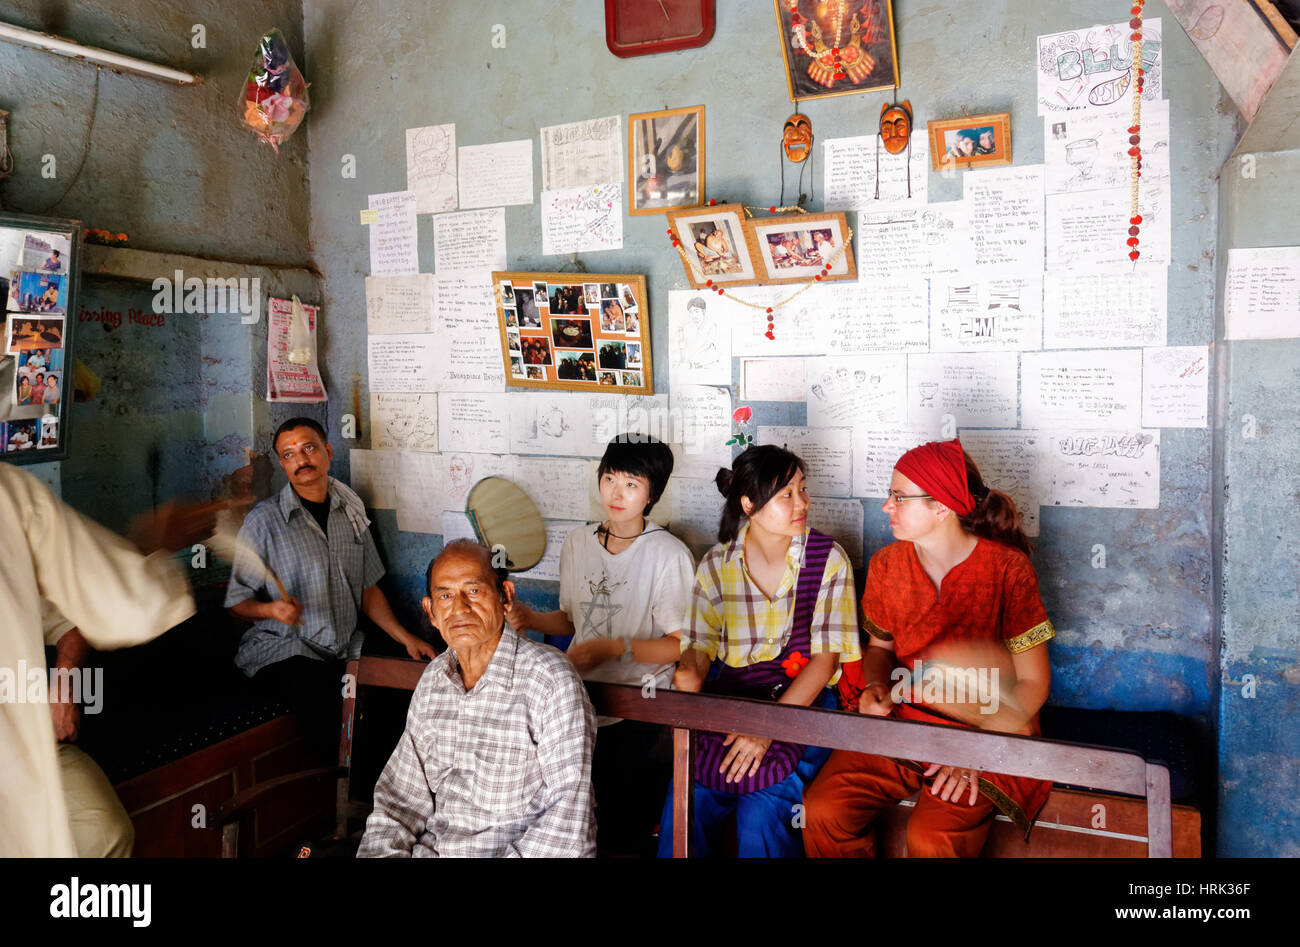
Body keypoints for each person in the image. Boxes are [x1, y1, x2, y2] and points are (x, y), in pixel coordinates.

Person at [803, 439, 1055, 858]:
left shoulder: (1008, 569)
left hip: (987, 728)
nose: (887, 507)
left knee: (932, 838)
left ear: (942, 506)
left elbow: (1034, 683)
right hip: (906, 721)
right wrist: (876, 687)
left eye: (899, 498)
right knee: (822, 810)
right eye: (890, 496)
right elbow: (880, 648)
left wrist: (974, 752)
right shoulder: (888, 565)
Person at [0, 463, 214, 855]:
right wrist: (158, 544)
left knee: (106, 831)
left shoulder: (10, 496)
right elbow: (126, 599)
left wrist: (61, 688)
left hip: (27, 731)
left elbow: (70, 619)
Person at [658, 445, 861, 857]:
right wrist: (690, 671)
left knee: (763, 816)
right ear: (749, 504)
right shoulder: (716, 564)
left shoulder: (828, 560)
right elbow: (699, 646)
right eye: (786, 494)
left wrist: (766, 730)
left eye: (802, 490)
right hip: (731, 702)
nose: (802, 503)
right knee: (686, 804)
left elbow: (824, 663)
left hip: (804, 706)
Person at [509, 435, 694, 856]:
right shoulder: (577, 543)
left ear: (653, 494)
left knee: (620, 825)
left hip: (639, 709)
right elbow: (572, 619)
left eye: (632, 483)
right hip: (577, 702)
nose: (616, 492)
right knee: (569, 819)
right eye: (609, 478)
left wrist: (615, 649)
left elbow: (679, 644)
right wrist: (531, 618)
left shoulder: (669, 554)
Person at [358, 540, 596, 857]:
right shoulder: (434, 680)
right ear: (430, 611)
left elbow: (566, 826)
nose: (459, 608)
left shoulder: (550, 681)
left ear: (505, 597)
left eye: (473, 591)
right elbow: (399, 799)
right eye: (444, 596)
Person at [225, 417, 435, 761]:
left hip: (342, 643)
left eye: (308, 448)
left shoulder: (349, 508)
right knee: (330, 706)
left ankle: (399, 789)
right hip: (285, 649)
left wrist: (406, 638)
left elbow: (367, 589)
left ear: (327, 450)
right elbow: (236, 604)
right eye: (289, 454)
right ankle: (350, 801)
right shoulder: (263, 522)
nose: (301, 459)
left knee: (407, 677)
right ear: (282, 464)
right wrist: (270, 610)